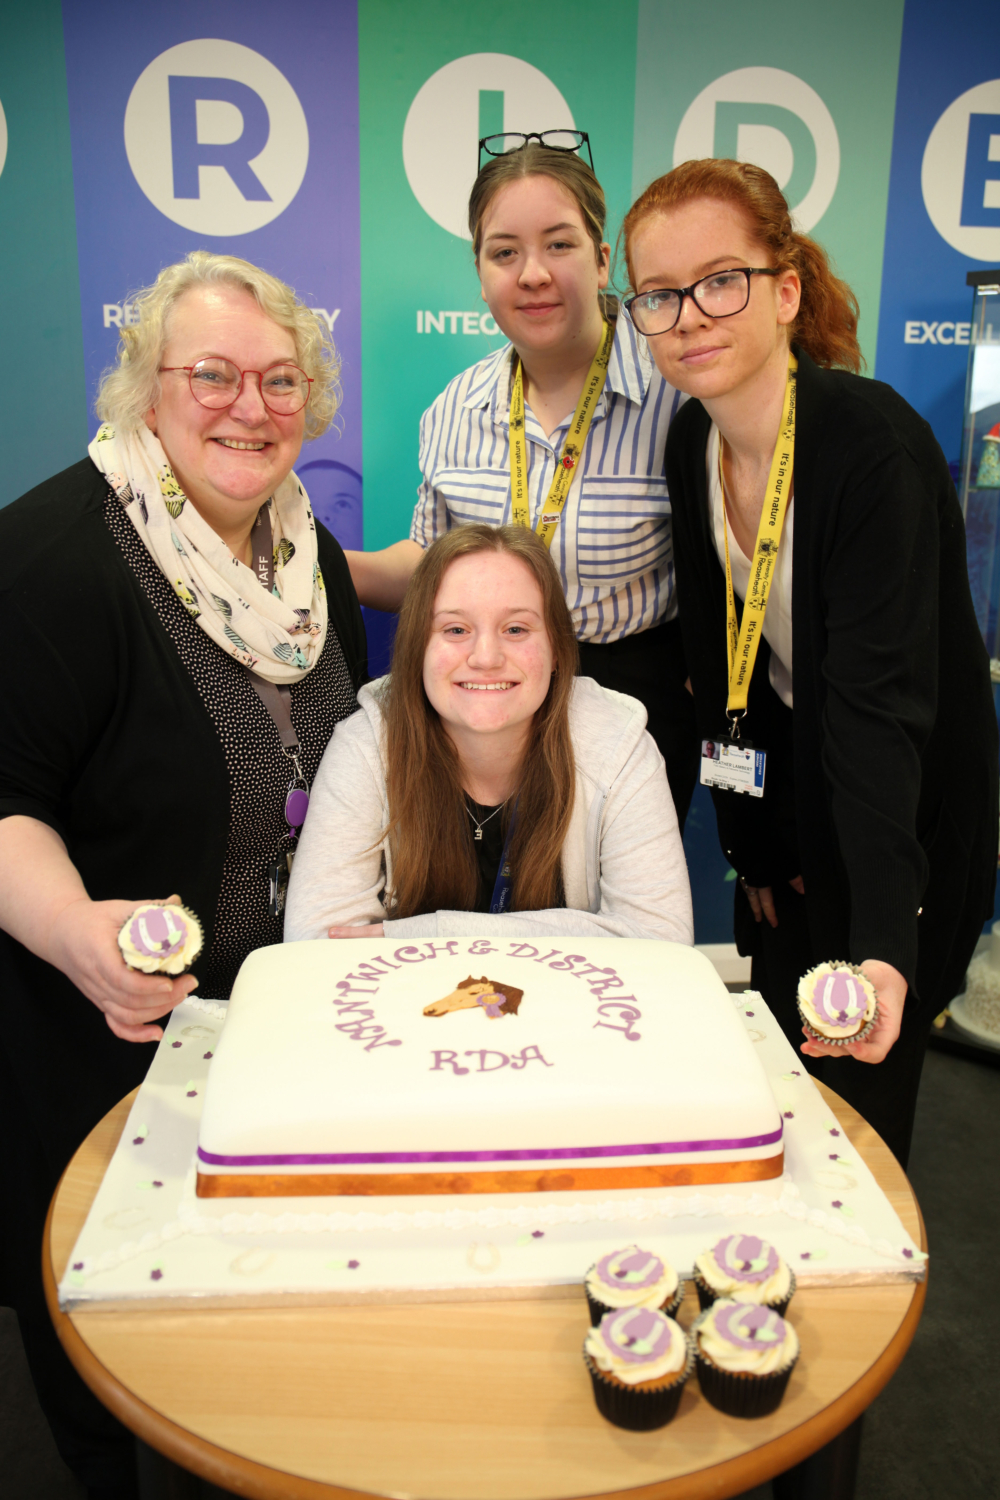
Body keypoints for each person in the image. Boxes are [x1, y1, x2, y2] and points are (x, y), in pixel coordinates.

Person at [0, 250, 367, 1496]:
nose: (248, 406)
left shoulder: (305, 558)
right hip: (94, 1034)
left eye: (279, 380)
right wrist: (74, 931)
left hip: (262, 1031)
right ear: (144, 390)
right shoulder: (56, 560)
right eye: (211, 375)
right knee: (111, 1348)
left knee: (246, 1344)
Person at [620, 158, 998, 1168]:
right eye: (659, 294)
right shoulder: (691, 442)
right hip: (791, 818)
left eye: (720, 281)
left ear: (785, 291)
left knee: (854, 1123)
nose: (689, 316)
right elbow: (722, 675)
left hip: (901, 828)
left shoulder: (871, 447)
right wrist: (754, 847)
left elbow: (878, 713)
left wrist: (880, 943)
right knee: (782, 1089)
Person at [344, 134, 700, 828]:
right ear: (480, 275)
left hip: (633, 703)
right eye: (504, 252)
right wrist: (320, 566)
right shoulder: (455, 408)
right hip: (490, 697)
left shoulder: (678, 393)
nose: (532, 274)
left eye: (559, 244)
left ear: (603, 260)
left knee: (615, 895)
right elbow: (428, 565)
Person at [285, 524, 693, 945]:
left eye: (515, 629)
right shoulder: (366, 745)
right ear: (417, 648)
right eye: (455, 629)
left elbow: (662, 941)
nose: (486, 658)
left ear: (556, 649)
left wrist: (420, 933)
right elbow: (317, 943)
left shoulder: (618, 746)